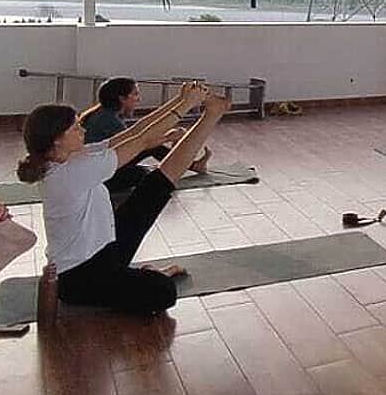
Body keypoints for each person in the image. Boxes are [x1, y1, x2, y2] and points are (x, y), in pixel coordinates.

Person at [17, 82, 230, 315]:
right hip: (81, 276)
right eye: (76, 128)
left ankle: (213, 114)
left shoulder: (69, 158)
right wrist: (187, 104)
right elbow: (141, 140)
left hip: (104, 246)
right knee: (164, 292)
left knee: (153, 187)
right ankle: (154, 274)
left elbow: (134, 133)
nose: (83, 130)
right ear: (56, 139)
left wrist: (179, 101)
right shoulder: (68, 172)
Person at [81, 77, 211, 192]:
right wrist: (169, 136)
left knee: (150, 148)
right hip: (102, 177)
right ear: (122, 98)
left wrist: (181, 100)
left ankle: (193, 165)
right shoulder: (108, 119)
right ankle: (190, 166)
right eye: (135, 94)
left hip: (104, 163)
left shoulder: (104, 113)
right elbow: (140, 140)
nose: (139, 99)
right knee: (143, 174)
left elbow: (140, 130)